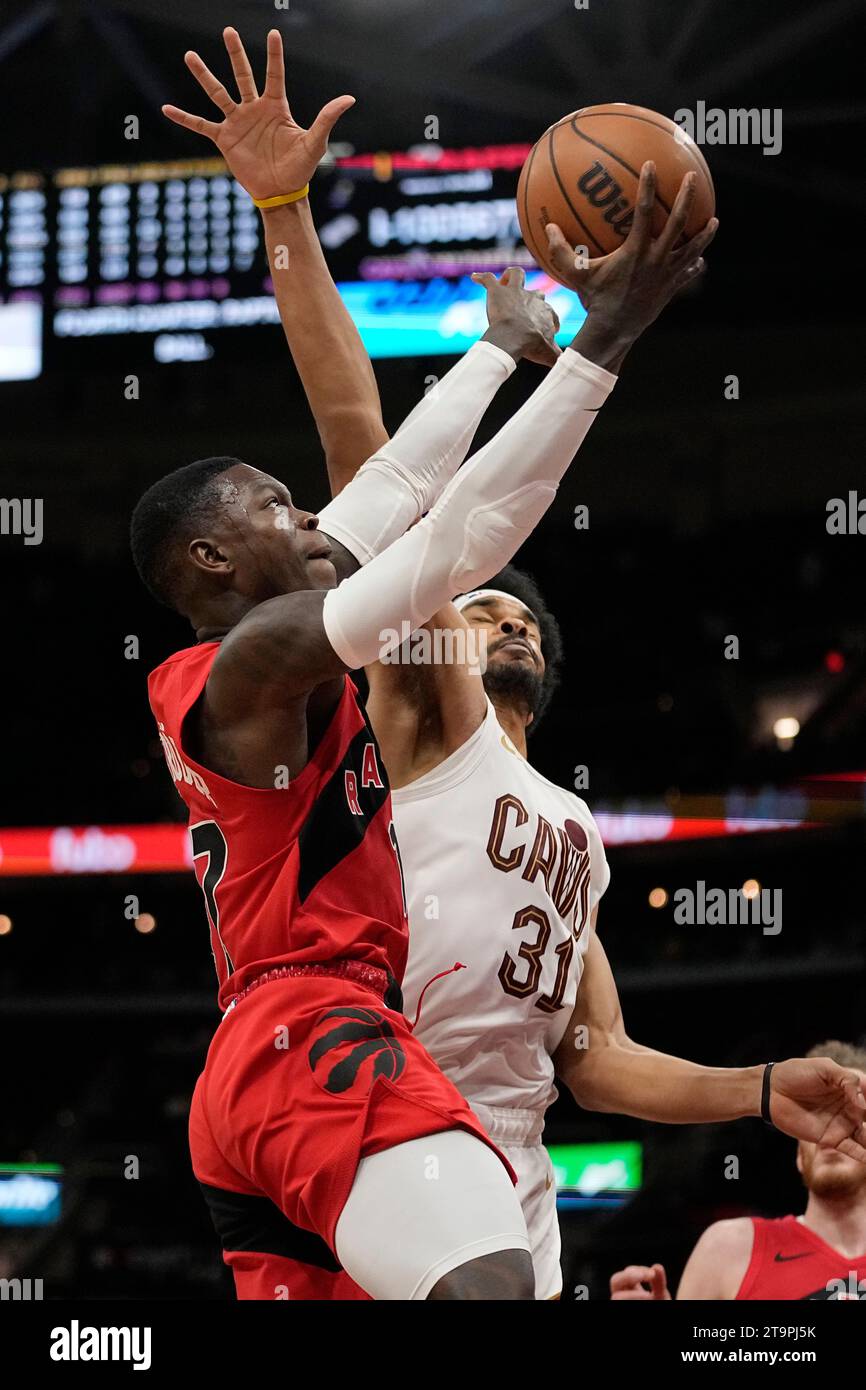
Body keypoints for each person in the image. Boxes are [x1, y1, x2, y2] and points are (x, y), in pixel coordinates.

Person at [159, 26, 866, 1300]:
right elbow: (377, 457)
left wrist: (757, 1091)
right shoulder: (412, 694)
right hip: (353, 1084)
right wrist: (291, 223)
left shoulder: (572, 829)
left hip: (493, 1161)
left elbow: (595, 1056)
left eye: (521, 615)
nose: (508, 619)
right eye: (485, 612)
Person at [610, 1041, 866, 1300]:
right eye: (818, 1114)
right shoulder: (729, 1249)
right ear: (799, 1155)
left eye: (849, 1113)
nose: (832, 1132)